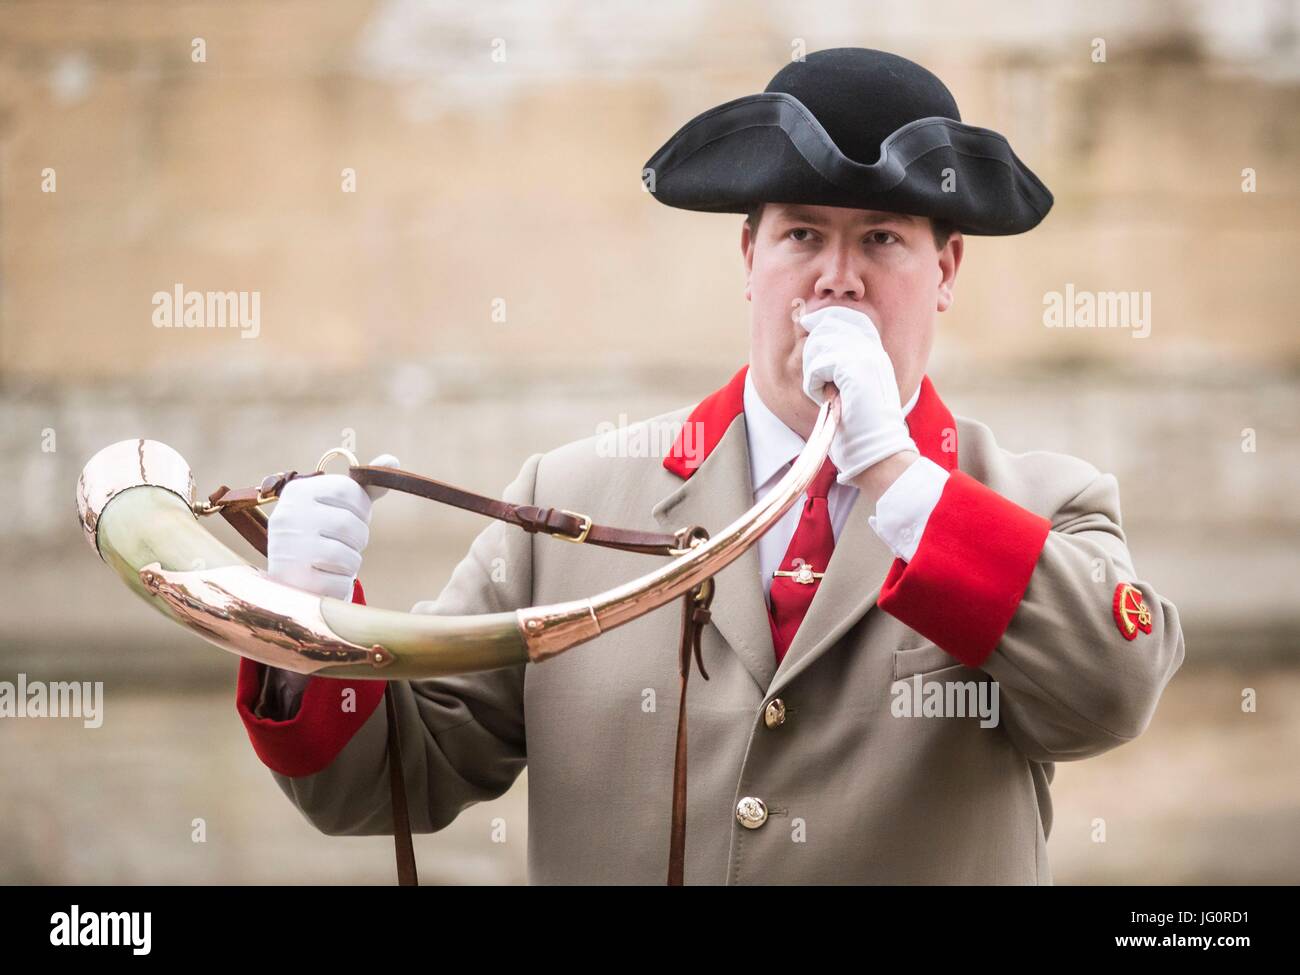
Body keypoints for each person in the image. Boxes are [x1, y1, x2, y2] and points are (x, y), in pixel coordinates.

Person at [236, 47, 1185, 883]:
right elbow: (384, 783)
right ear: (749, 255)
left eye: (883, 238)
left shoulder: (1044, 503)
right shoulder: (564, 498)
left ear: (946, 272)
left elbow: (1109, 694)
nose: (837, 278)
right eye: (803, 233)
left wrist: (898, 479)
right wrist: (307, 634)